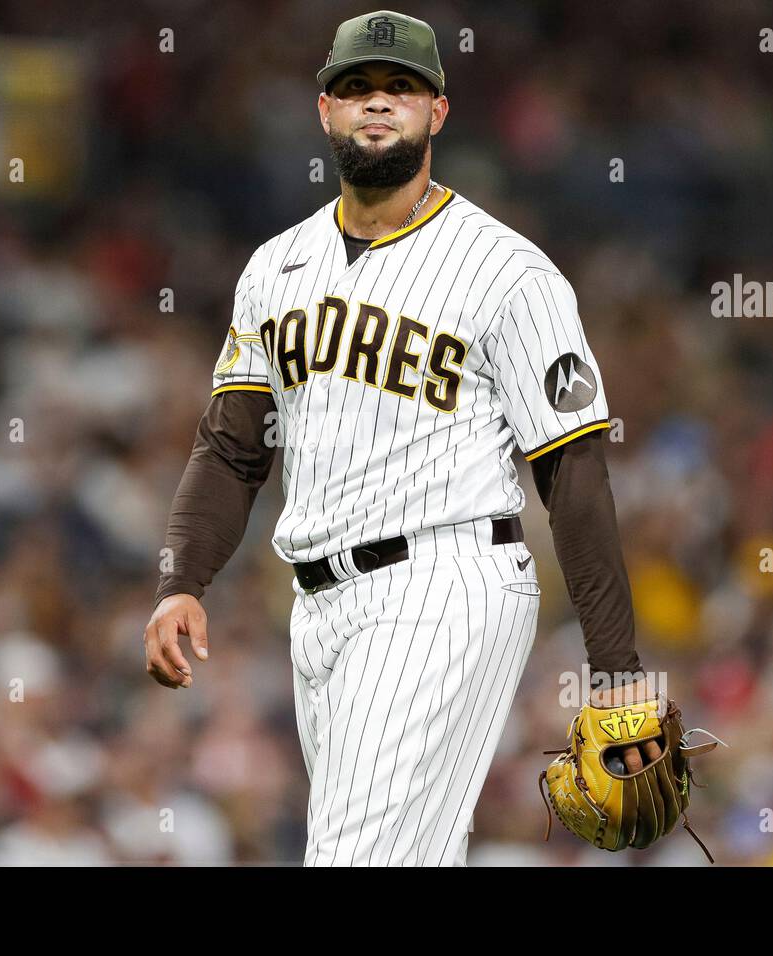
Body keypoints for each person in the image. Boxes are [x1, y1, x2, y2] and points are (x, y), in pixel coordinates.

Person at [145, 9, 656, 866]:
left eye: (401, 88)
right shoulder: (275, 267)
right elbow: (232, 447)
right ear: (324, 112)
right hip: (319, 607)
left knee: (353, 857)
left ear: (438, 114)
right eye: (356, 89)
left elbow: (572, 470)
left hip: (447, 583)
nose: (377, 104)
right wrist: (181, 578)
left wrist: (615, 669)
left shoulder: (508, 271)